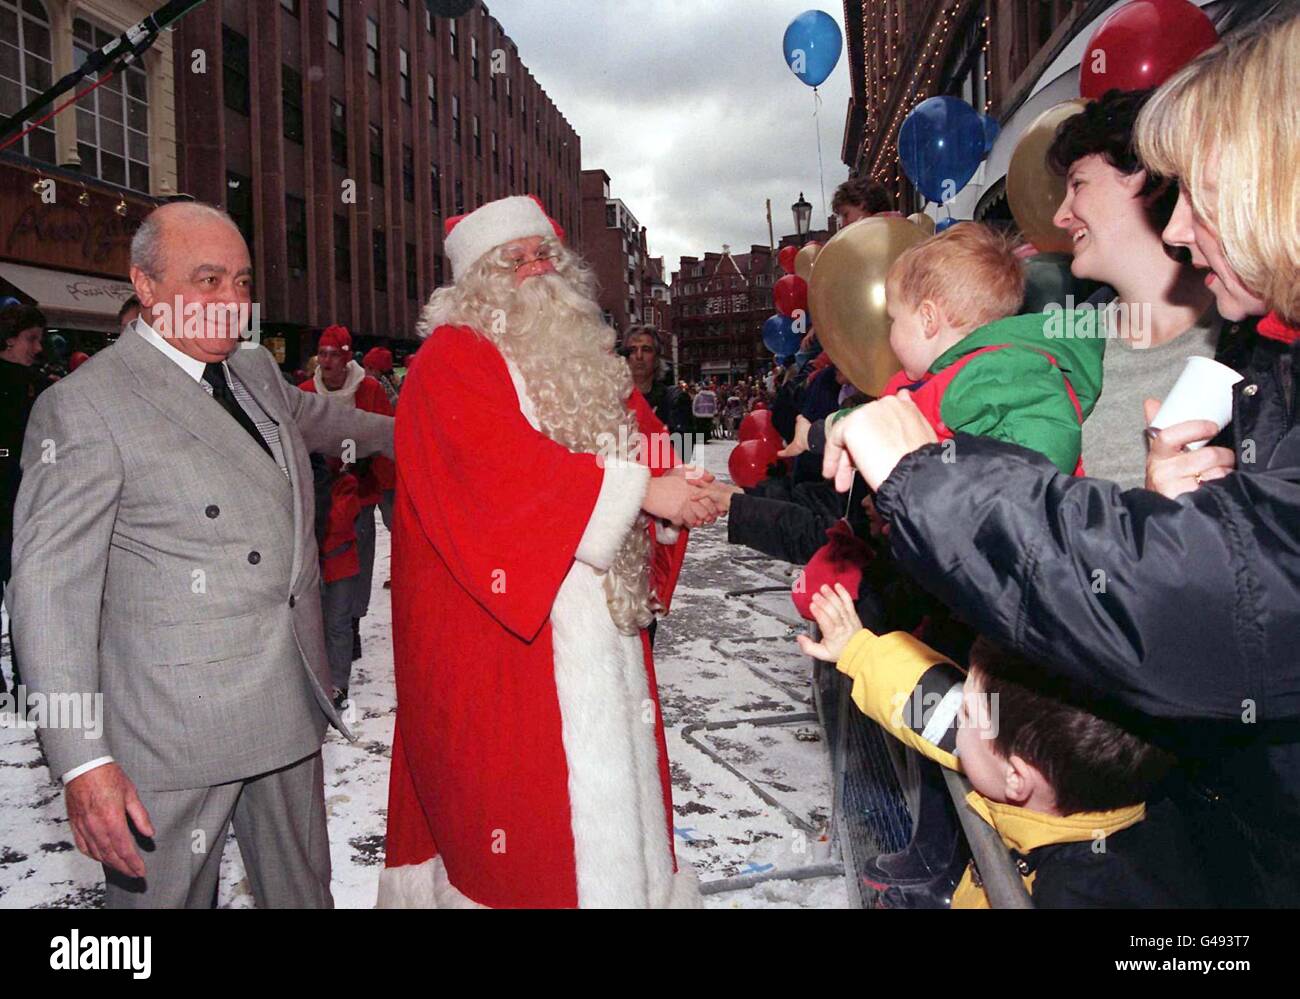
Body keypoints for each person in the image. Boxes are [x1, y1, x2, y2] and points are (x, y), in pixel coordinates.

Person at [821, 11, 1300, 907]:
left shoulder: (1236, 357)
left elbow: (1220, 594)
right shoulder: (1085, 340)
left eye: (1082, 181)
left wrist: (931, 476)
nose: (1060, 210)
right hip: (1137, 811)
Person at [10, 202, 395, 908]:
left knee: (304, 896)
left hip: (286, 702)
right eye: (209, 280)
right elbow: (48, 596)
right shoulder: (84, 408)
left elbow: (324, 419)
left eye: (243, 282)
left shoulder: (251, 370)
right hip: (168, 738)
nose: (233, 303)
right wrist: (82, 762)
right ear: (146, 287)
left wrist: (421, 428)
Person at [380, 195, 719, 908]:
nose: (536, 269)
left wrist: (677, 482)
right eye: (515, 259)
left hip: (599, 638)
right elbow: (502, 474)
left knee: (613, 823)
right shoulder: (452, 359)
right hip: (508, 648)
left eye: (545, 254)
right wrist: (642, 493)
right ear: (478, 278)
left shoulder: (585, 357)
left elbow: (642, 434)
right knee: (531, 845)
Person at [800, 584, 1211, 908]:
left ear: (1016, 777)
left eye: (968, 715)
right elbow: (937, 708)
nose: (956, 712)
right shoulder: (1078, 763)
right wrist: (859, 651)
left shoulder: (1076, 892)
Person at [1048, 88, 1223, 488]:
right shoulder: (1063, 345)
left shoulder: (1254, 339)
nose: (1060, 216)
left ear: (1144, 175)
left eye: (1078, 185)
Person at [875, 221, 1103, 475]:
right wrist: (835, 425)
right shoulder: (932, 382)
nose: (889, 331)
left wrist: (969, 495)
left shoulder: (1002, 371)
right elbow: (885, 419)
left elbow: (1044, 456)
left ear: (928, 319)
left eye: (893, 319)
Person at [299, 326, 395, 663]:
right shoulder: (307, 392)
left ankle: (351, 623)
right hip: (320, 498)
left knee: (359, 564)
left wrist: (380, 478)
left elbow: (385, 434)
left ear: (346, 357)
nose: (326, 360)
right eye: (321, 353)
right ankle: (328, 627)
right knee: (323, 563)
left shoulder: (368, 390)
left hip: (360, 495)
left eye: (333, 354)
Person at [0, 304, 46, 696]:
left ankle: (21, 682)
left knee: (23, 599)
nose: (38, 347)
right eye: (32, 339)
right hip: (13, 508)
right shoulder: (29, 388)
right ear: (9, 339)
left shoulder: (37, 385)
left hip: (20, 509)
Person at [623, 325, 693, 447]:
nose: (639, 356)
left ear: (656, 357)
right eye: (633, 350)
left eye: (646, 349)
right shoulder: (613, 400)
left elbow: (683, 452)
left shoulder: (673, 400)